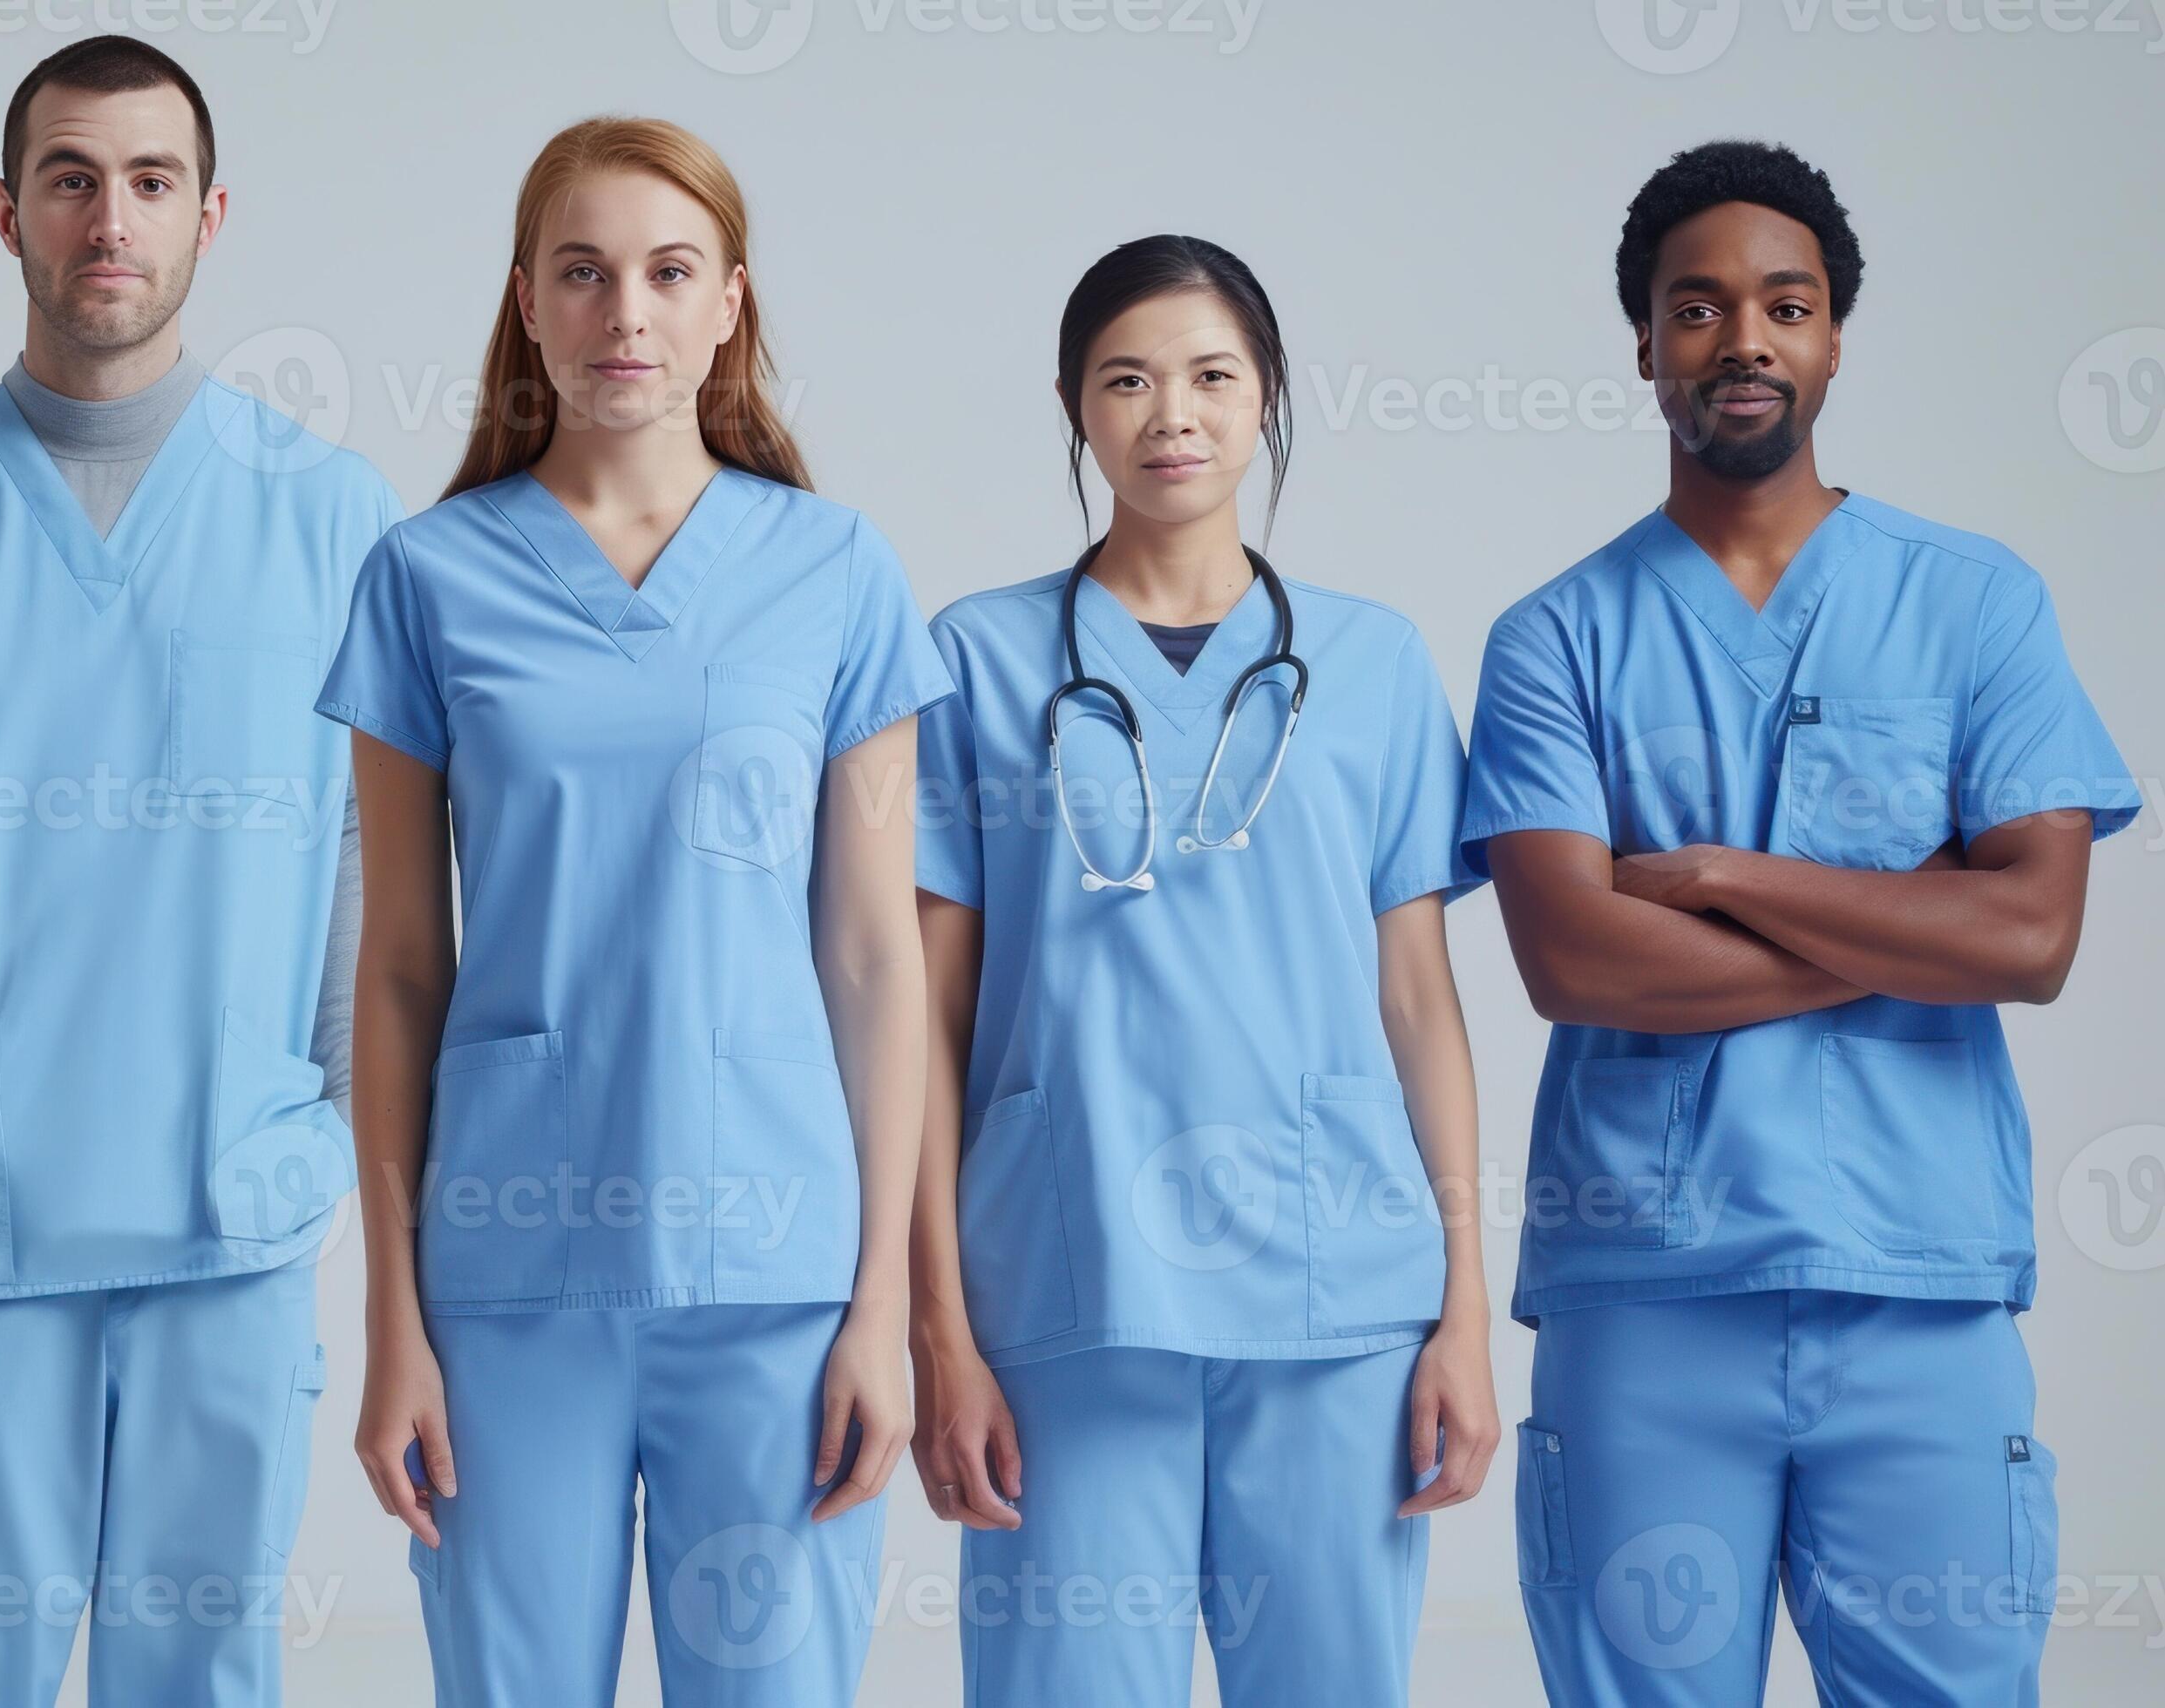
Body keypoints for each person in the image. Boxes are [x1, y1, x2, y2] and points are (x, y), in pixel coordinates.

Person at [1466, 140, 2141, 1704]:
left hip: (1921, 1296)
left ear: (1835, 334)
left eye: (1786, 303)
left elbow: (2032, 941)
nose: (1743, 340)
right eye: (1696, 310)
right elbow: (1571, 960)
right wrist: (1915, 917)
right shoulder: (1554, 639)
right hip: (1644, 1300)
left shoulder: (1977, 603)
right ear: (1642, 343)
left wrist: (1721, 876)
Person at [0, 37, 399, 1708]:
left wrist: (318, 1125)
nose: (105, 219)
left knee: (202, 1678)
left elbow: (371, 874)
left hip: (231, 1211)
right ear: (5, 212)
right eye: (67, 179)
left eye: (144, 181)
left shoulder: (333, 516)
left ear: (210, 212)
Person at [323, 117, 952, 1706]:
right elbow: (399, 968)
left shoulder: (834, 570)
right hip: (506, 1280)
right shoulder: (428, 577)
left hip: (776, 1276)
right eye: (585, 274)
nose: (627, 316)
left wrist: (880, 1307)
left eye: (669, 275)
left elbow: (878, 959)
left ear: (729, 303)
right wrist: (392, 1316)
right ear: (526, 303)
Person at [908, 235, 1496, 1705]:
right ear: (1074, 409)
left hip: (1336, 1297)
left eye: (1209, 376)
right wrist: (938, 1329)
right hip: (1066, 1290)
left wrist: (1467, 1315)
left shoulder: (1370, 663)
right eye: (1125, 379)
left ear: (1267, 397)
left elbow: (1418, 1002)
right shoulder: (974, 660)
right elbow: (921, 1017)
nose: (1170, 412)